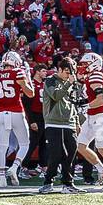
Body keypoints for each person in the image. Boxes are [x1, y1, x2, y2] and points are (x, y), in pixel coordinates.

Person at [39, 55, 85, 194]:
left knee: (71, 153)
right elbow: (56, 95)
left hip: (69, 122)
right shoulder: (50, 80)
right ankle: (48, 182)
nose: (69, 75)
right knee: (56, 153)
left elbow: (74, 103)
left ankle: (68, 183)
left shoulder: (72, 83)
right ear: (59, 69)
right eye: (67, 72)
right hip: (53, 122)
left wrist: (77, 121)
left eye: (71, 72)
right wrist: (69, 84)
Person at [74, 52, 103, 189]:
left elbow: (101, 99)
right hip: (91, 116)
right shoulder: (91, 76)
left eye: (85, 63)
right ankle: (101, 169)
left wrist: (85, 106)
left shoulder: (96, 76)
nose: (82, 66)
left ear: (94, 64)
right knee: (80, 146)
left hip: (99, 117)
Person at [0, 50, 34, 187]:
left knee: (2, 146)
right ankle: (14, 167)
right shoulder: (18, 72)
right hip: (16, 111)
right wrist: (28, 77)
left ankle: (2, 179)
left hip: (1, 113)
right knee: (25, 144)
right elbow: (30, 93)